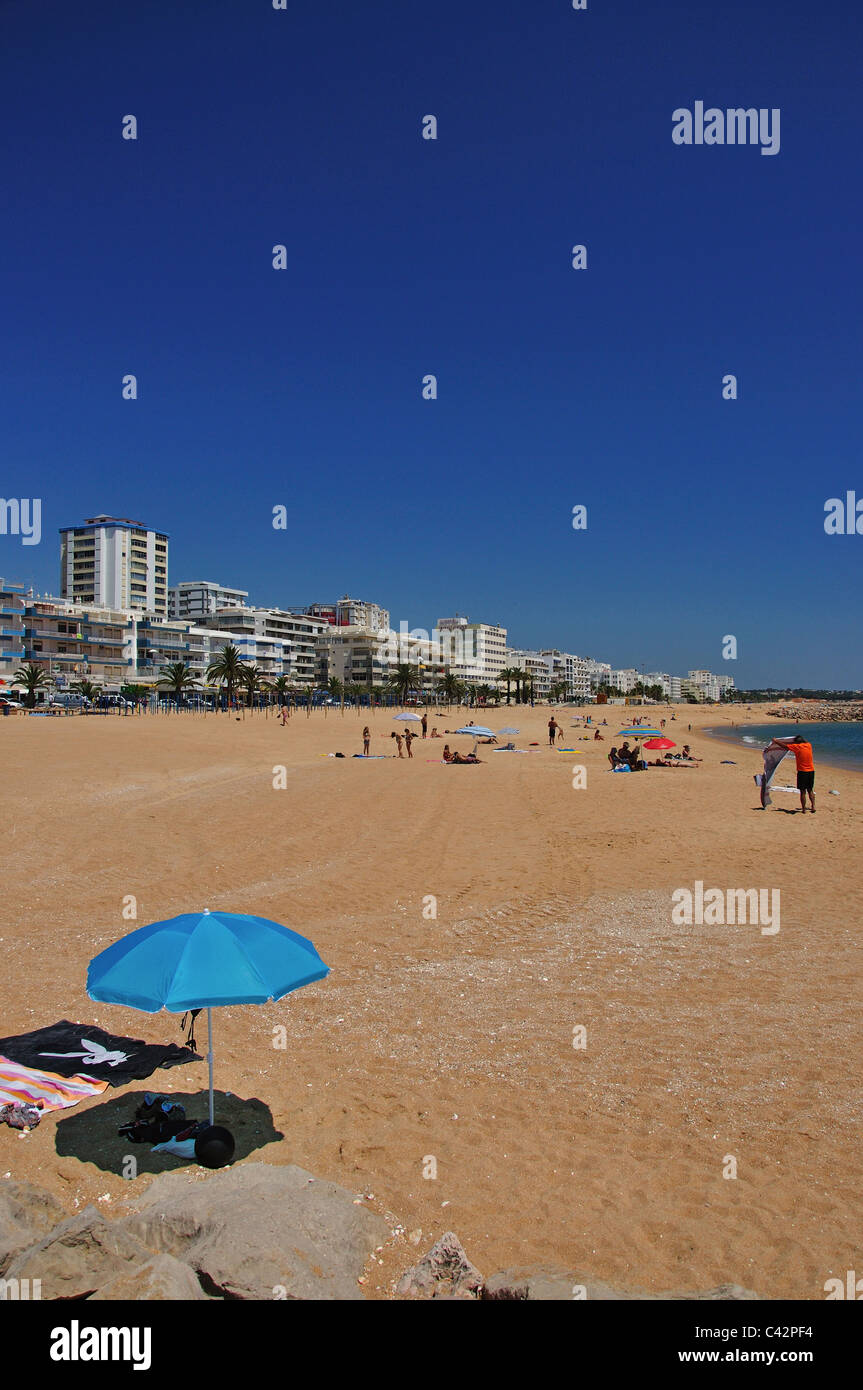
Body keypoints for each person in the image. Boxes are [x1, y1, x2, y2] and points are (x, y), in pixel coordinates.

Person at [772, 734, 816, 813]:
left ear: (797, 742)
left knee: (802, 791)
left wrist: (776, 741)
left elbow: (785, 746)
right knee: (810, 790)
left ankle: (803, 809)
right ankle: (813, 806)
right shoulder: (809, 745)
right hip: (811, 771)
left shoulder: (797, 747)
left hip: (802, 772)